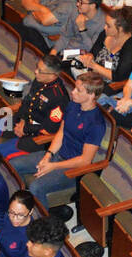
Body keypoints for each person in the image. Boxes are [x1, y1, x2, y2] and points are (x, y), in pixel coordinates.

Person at [8, 73, 107, 201]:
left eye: (78, 90)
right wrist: (48, 156)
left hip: (73, 167)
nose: (73, 92)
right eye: (74, 88)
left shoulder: (96, 123)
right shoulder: (73, 105)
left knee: (36, 186)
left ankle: (41, 218)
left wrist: (53, 166)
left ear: (91, 95)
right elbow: (61, 133)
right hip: (57, 155)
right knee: (13, 164)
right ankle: (18, 206)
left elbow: (85, 160)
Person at [77, 5, 132, 86]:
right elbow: (93, 52)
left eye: (108, 26)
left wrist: (94, 66)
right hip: (92, 75)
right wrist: (89, 57)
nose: (105, 27)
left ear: (121, 29)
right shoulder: (105, 34)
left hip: (109, 85)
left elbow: (118, 77)